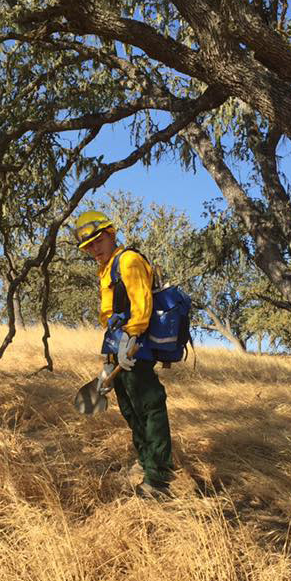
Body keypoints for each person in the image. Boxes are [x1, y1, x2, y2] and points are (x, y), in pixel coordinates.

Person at [74, 210, 174, 499]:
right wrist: (109, 362)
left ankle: (158, 481)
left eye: (97, 241)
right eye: (88, 246)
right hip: (117, 350)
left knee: (149, 408)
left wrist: (130, 338)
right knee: (131, 412)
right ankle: (145, 463)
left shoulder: (128, 261)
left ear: (111, 233)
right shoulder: (106, 270)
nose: (94, 249)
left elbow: (140, 306)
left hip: (135, 348)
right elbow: (111, 318)